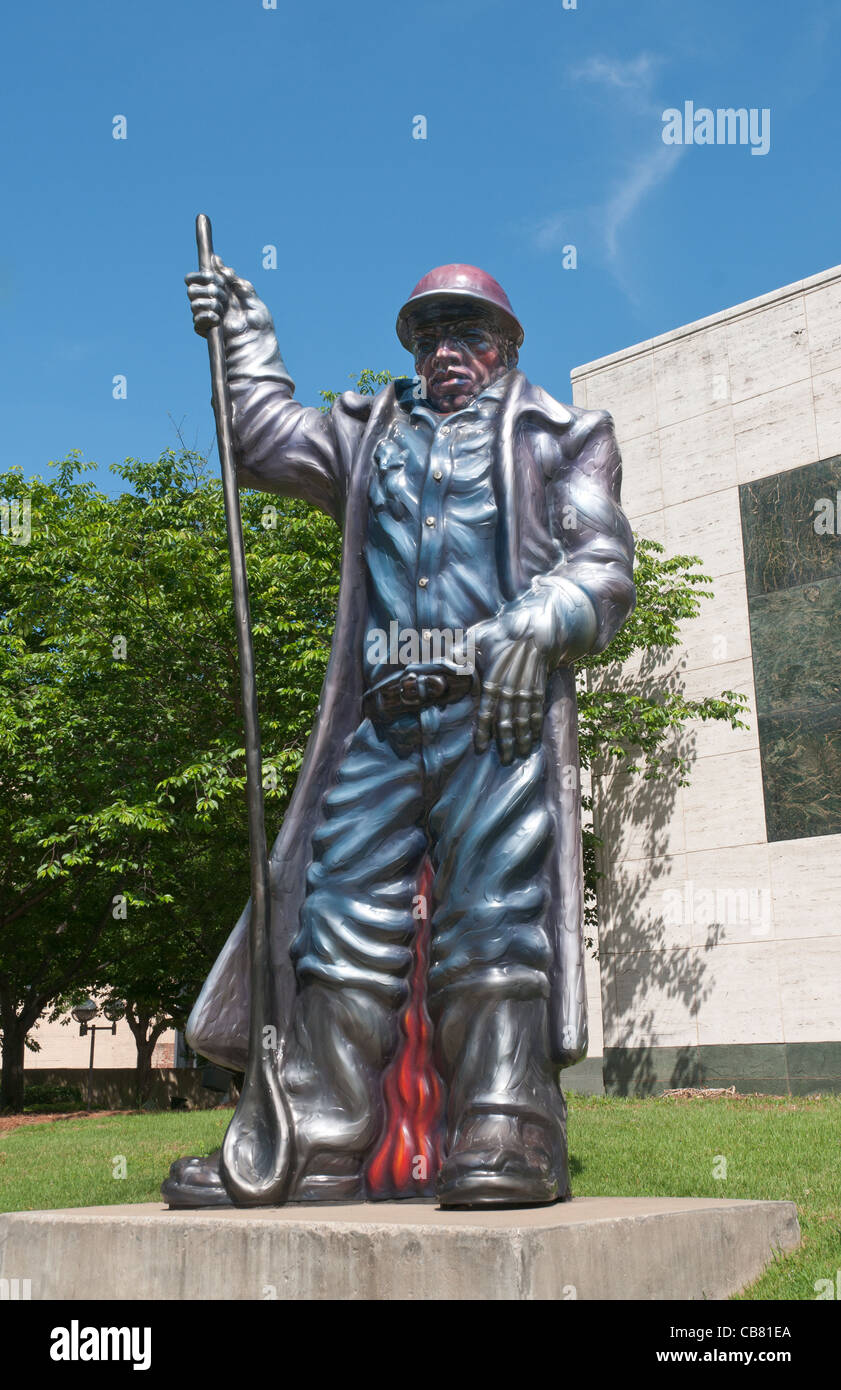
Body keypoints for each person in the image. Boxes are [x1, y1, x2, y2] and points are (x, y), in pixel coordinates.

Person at [163, 260, 635, 1208]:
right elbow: (258, 439)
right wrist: (245, 336)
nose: (445, 352)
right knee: (336, 921)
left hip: (491, 712)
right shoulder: (367, 432)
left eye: (466, 334)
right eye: (427, 337)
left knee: (491, 918)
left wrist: (541, 617)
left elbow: (601, 561)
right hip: (382, 718)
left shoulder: (563, 434)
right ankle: (317, 1136)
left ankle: (509, 1126)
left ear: (506, 345)